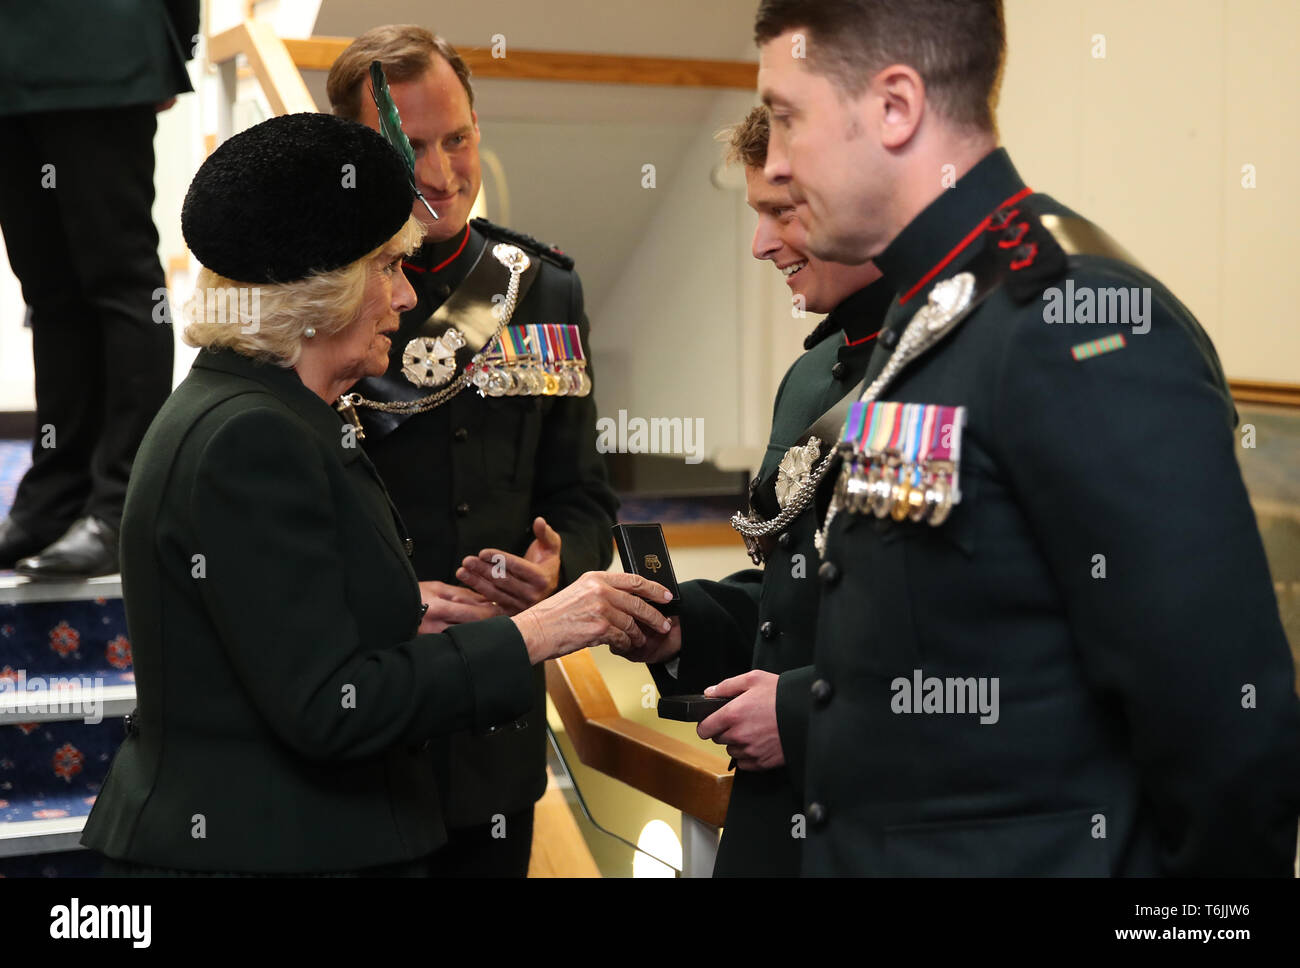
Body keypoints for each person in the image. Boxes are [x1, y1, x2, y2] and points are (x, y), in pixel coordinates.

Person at [754, 0, 1300, 875]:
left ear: (895, 106)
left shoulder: (1070, 323)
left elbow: (1223, 725)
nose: (776, 165)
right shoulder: (933, 309)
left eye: (787, 119)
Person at [79, 113, 671, 875]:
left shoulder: (271, 413)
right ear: (325, 289)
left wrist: (402, 614)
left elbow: (285, 633)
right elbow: (329, 707)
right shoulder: (251, 440)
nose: (404, 295)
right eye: (387, 268)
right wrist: (538, 632)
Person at [325, 25, 619, 876]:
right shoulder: (311, 299)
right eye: (410, 145)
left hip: (493, 738)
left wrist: (559, 567)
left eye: (459, 139)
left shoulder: (539, 287)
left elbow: (585, 495)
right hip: (360, 728)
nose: (441, 173)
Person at [611, 107, 889, 876]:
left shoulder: (954, 366)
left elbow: (986, 642)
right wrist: (681, 626)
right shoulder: (814, 374)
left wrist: (801, 714)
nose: (762, 246)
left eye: (781, 212)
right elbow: (799, 599)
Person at [0, 1, 198, 579]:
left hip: (100, 45)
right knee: (47, 289)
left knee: (119, 281)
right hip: (8, 66)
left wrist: (176, 41)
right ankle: (52, 499)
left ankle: (122, 504)